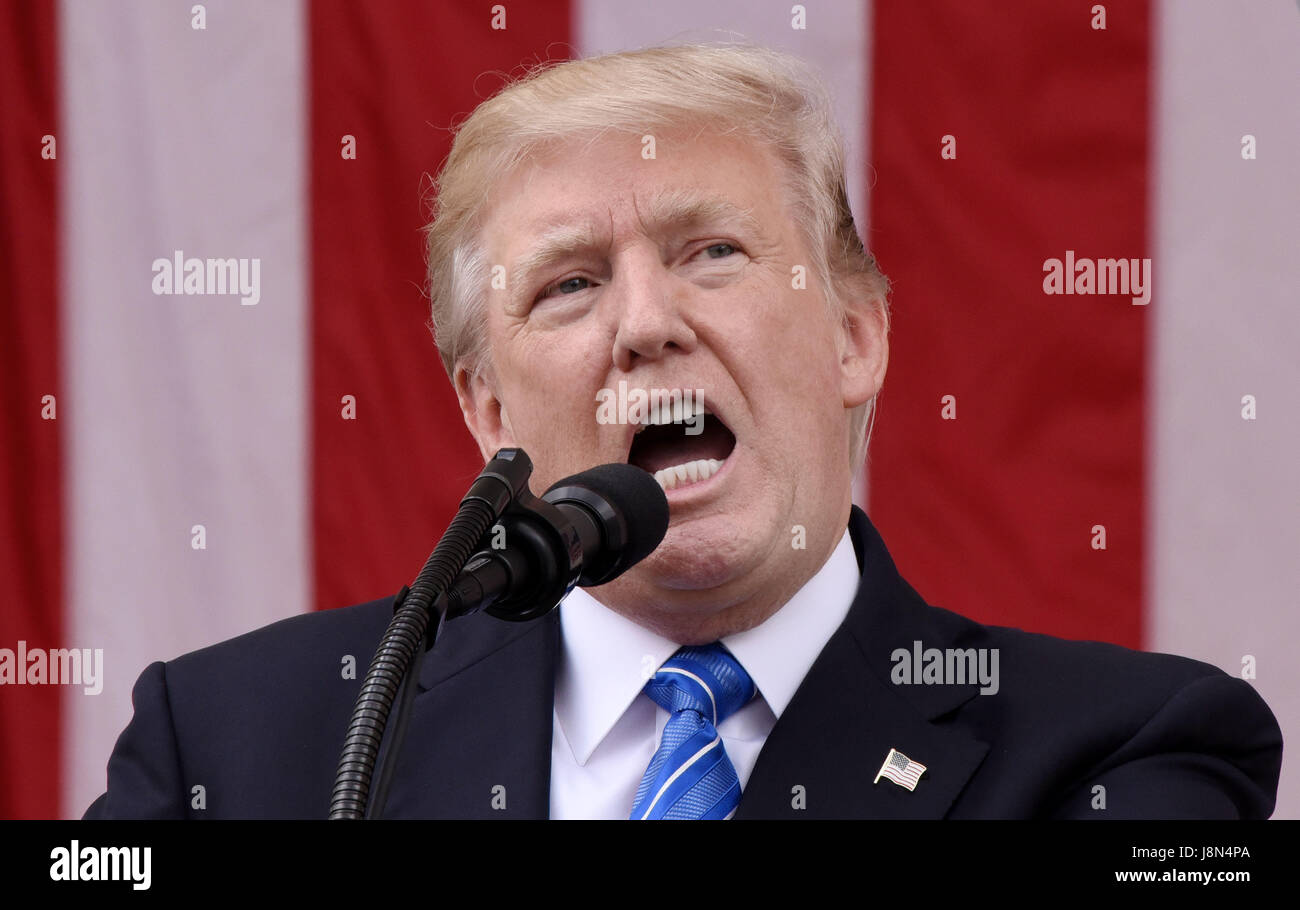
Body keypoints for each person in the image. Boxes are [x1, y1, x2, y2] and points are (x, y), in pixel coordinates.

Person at [85, 43, 1281, 820]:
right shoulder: (232, 748)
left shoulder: (1126, 753)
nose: (647, 323)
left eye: (713, 251)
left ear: (854, 338)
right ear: (490, 412)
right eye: (567, 284)